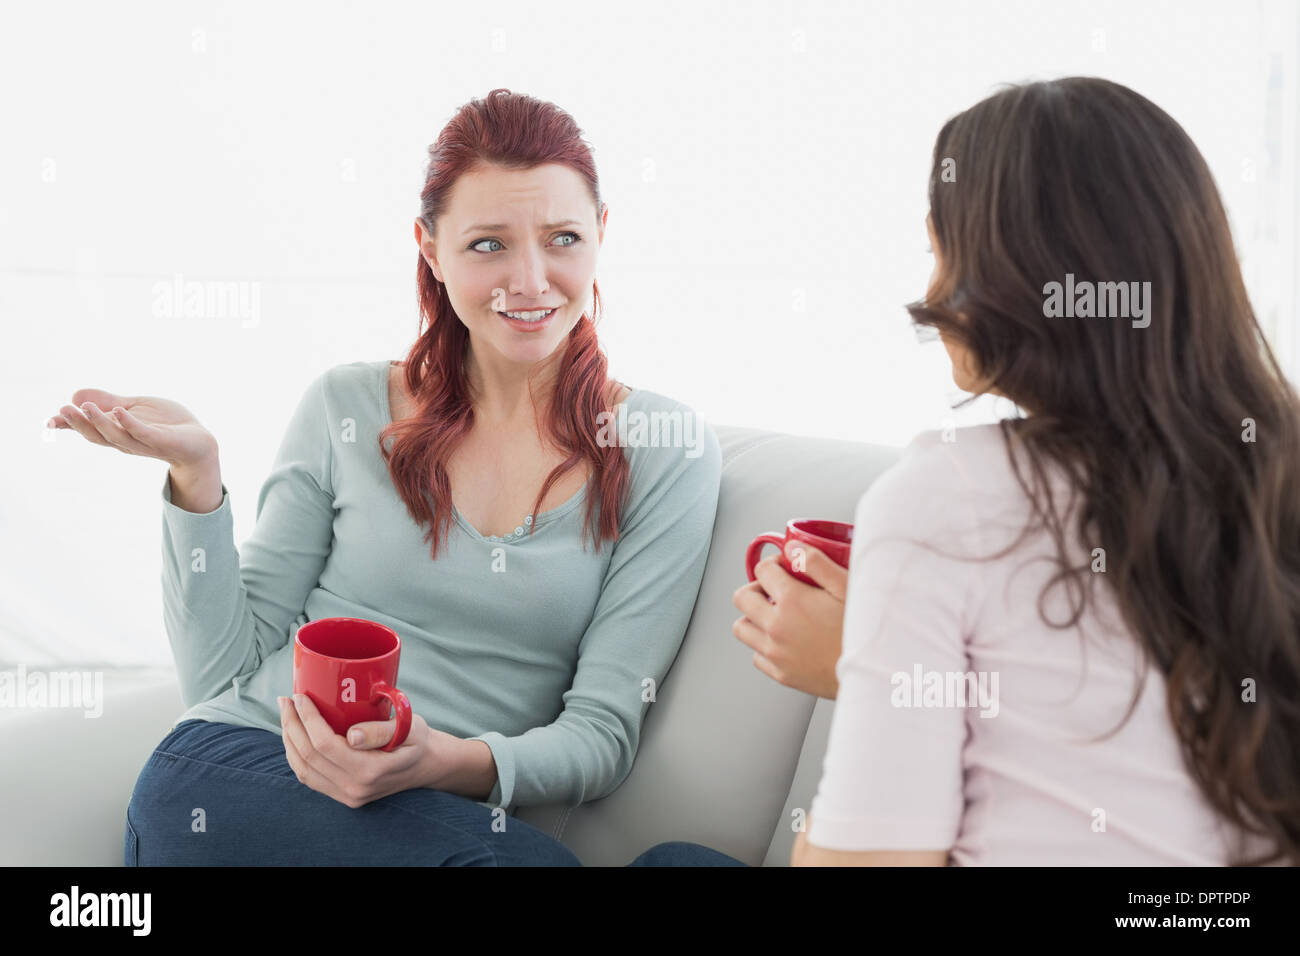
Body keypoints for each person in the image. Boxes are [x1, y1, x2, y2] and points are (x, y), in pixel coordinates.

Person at [50, 88, 733, 866]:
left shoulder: (662, 451)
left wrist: (447, 761)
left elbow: (602, 735)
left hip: (441, 820)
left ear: (602, 236)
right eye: (487, 245)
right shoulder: (346, 408)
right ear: (430, 248)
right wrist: (195, 478)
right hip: (233, 773)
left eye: (563, 238)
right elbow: (219, 676)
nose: (532, 280)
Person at [734, 77, 1300, 866]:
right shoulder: (1274, 471)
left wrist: (873, 676)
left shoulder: (950, 494)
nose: (932, 294)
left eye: (941, 253)